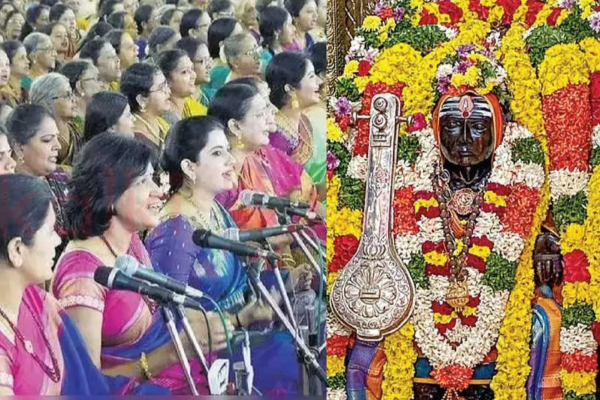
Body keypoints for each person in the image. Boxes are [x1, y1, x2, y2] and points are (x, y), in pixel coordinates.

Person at [51, 133, 232, 394]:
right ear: (109, 192)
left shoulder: (131, 240)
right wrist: (171, 353)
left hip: (174, 377)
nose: (158, 191)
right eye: (144, 181)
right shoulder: (82, 275)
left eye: (154, 179)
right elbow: (86, 387)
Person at [145, 115, 312, 394]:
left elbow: (240, 286)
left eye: (227, 150)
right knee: (290, 356)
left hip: (238, 334)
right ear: (189, 167)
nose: (231, 160)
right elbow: (173, 322)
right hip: (205, 358)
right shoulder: (174, 231)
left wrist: (285, 281)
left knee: (310, 326)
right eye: (217, 153)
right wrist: (239, 320)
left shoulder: (214, 210)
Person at [0, 174, 172, 395]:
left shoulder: (39, 303)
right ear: (16, 250)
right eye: (50, 231)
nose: (57, 240)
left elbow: (90, 383)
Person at [209, 83, 323, 253]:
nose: (271, 118)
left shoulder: (257, 159)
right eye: (260, 114)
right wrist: (269, 241)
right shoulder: (220, 177)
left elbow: (308, 202)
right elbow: (216, 246)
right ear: (235, 127)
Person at [5, 104, 68, 238]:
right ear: (19, 148)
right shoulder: (8, 197)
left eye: (57, 137)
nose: (57, 146)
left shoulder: (61, 177)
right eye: (47, 140)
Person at [266, 52, 322, 171]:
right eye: (312, 76)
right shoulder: (275, 136)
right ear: (290, 89)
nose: (320, 82)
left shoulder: (303, 120)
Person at [29, 72, 82, 169]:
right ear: (47, 102)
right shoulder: (35, 136)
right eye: (67, 96)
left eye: (72, 94)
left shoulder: (76, 131)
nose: (74, 99)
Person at [120, 62, 170, 152]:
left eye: (166, 85)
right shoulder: (134, 139)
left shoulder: (163, 123)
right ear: (142, 100)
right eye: (161, 88)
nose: (168, 91)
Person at [156, 48, 205, 123]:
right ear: (167, 80)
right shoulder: (166, 116)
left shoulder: (190, 106)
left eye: (192, 69)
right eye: (184, 72)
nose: (193, 76)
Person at [59, 60, 103, 133]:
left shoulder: (95, 117)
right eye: (97, 79)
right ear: (80, 87)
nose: (101, 84)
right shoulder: (70, 125)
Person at [203, 17, 242, 100]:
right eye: (238, 37)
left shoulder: (216, 65)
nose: (244, 39)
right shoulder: (222, 71)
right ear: (222, 45)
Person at [176, 36, 211, 106]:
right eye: (202, 61)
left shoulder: (210, 97)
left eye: (208, 59)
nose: (209, 66)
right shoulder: (178, 102)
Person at [0, 41, 28, 105]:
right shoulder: (6, 95)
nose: (28, 61)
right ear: (11, 64)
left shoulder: (26, 83)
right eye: (22, 58)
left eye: (6, 64)